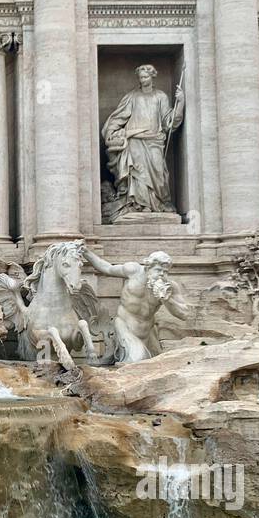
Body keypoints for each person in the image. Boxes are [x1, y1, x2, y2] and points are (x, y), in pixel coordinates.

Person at [101, 63, 184, 217]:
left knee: (159, 173)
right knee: (137, 174)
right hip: (135, 141)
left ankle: (158, 204)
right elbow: (118, 117)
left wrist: (180, 103)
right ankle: (139, 205)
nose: (142, 79)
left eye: (145, 76)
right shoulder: (132, 97)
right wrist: (111, 132)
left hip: (154, 141)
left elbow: (169, 122)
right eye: (140, 77)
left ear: (152, 77)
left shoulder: (160, 97)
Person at [83, 248, 187, 362]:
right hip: (125, 327)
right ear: (148, 268)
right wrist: (86, 253)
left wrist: (166, 299)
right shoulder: (133, 271)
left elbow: (183, 314)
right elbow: (107, 268)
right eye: (158, 270)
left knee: (157, 364)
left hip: (148, 333)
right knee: (137, 360)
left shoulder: (170, 287)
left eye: (165, 272)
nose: (161, 275)